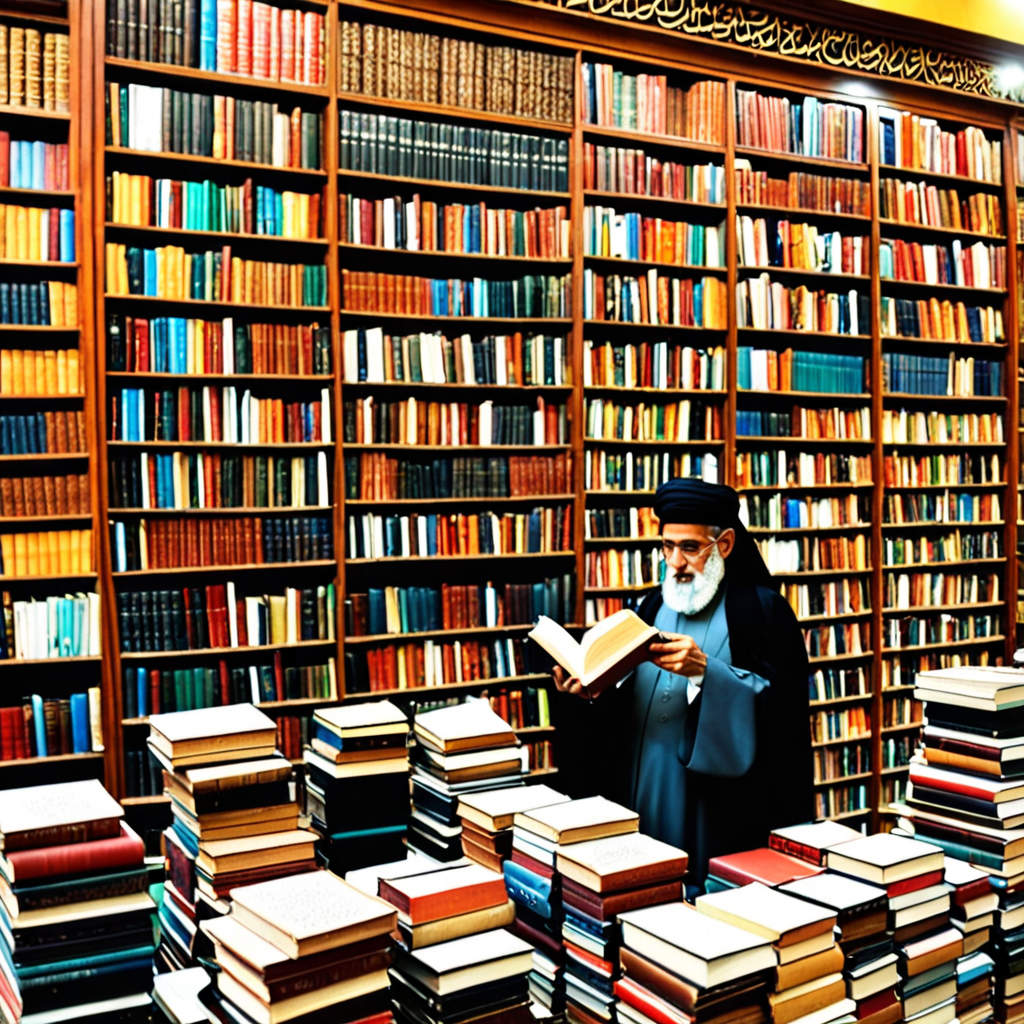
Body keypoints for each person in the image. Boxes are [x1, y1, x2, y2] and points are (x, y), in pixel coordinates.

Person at [553, 477, 813, 889]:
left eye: (690, 548)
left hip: (715, 811)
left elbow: (784, 716)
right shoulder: (653, 604)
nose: (675, 562)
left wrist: (706, 674)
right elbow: (628, 698)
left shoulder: (762, 613)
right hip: (641, 791)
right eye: (667, 547)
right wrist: (591, 692)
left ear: (724, 544)